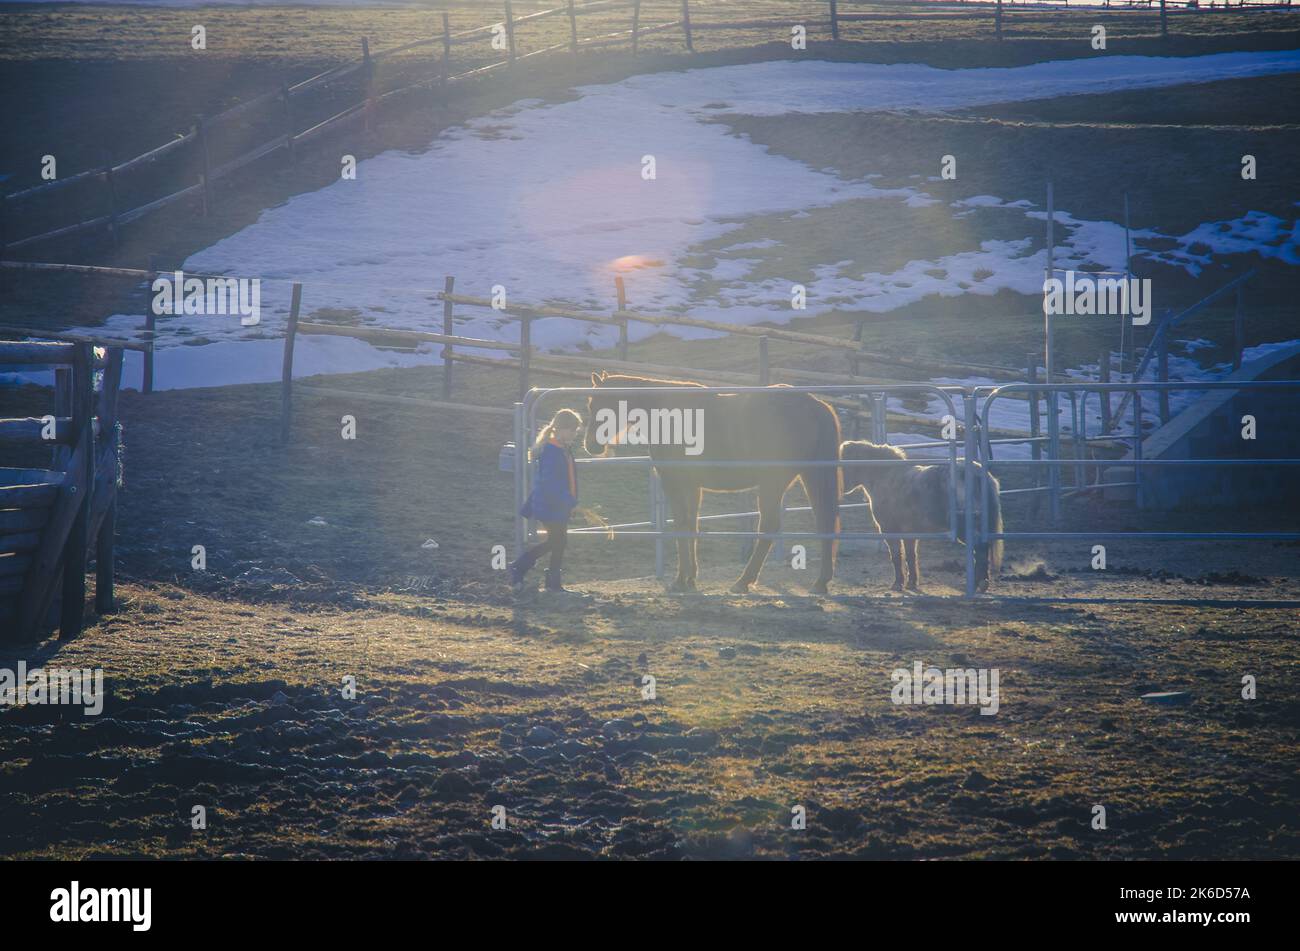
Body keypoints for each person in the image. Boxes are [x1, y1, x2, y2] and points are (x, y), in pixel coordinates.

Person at [510, 409, 581, 593]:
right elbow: (551, 483)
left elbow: (568, 478)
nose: (574, 434)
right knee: (557, 541)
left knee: (559, 541)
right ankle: (521, 566)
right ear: (560, 429)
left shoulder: (561, 449)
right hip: (550, 505)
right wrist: (571, 501)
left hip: (557, 504)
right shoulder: (552, 451)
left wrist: (571, 501)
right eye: (572, 430)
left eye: (575, 430)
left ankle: (551, 582)